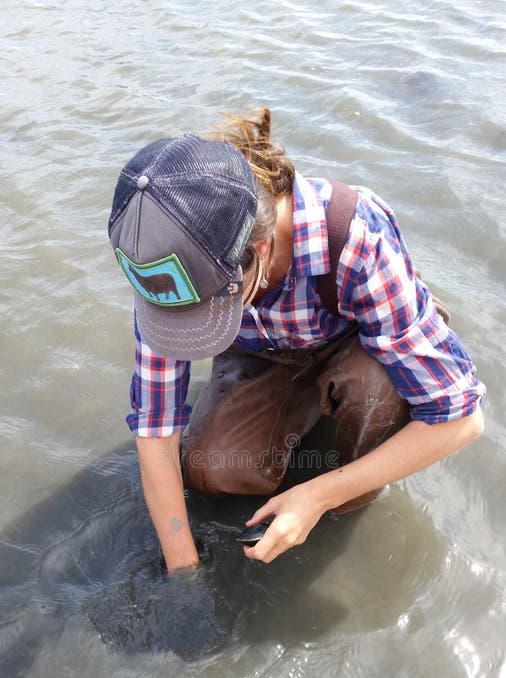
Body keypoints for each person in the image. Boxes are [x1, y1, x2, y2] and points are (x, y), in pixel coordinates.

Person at [108, 108, 485, 573]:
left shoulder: (357, 238)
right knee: (210, 469)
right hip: (266, 350)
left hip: (356, 343)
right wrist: (182, 565)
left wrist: (320, 496)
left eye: (209, 309)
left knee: (375, 397)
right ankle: (300, 420)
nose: (187, 320)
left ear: (260, 251)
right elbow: (155, 426)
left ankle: (351, 481)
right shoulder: (167, 261)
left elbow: (461, 419)